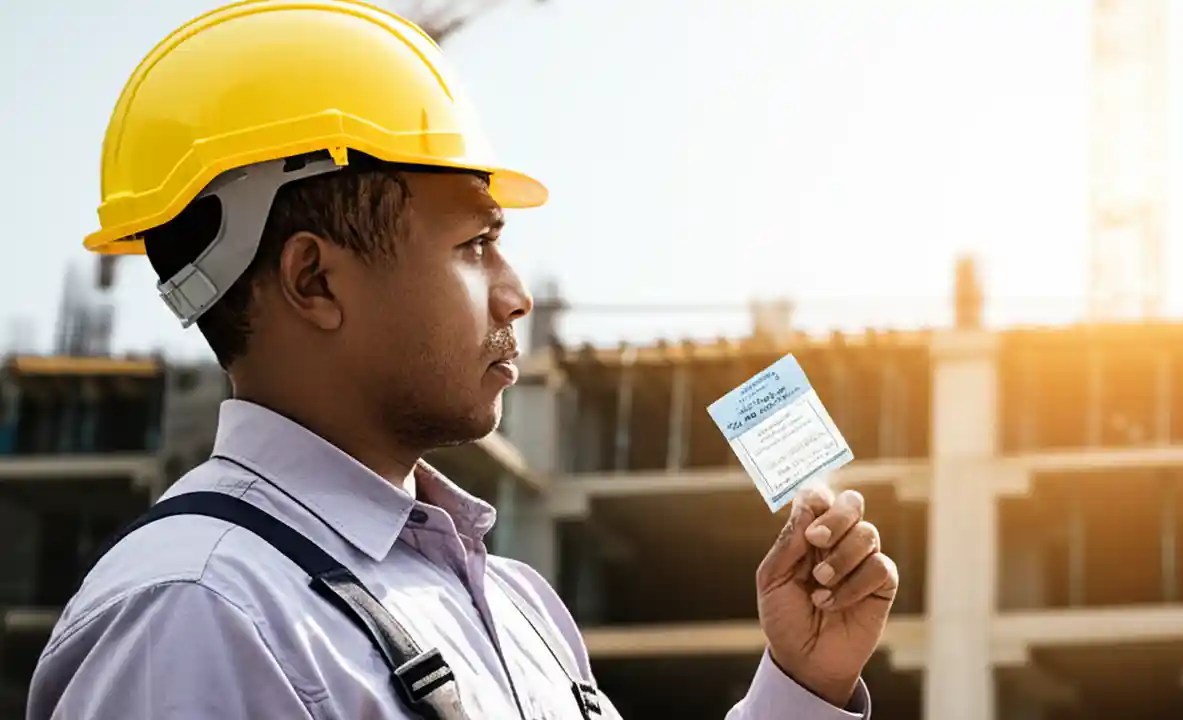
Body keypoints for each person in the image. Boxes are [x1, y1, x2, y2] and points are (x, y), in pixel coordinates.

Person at [27, 1, 898, 718]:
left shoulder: (519, 608)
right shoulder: (197, 613)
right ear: (314, 280)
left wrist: (801, 686)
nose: (515, 294)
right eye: (475, 243)